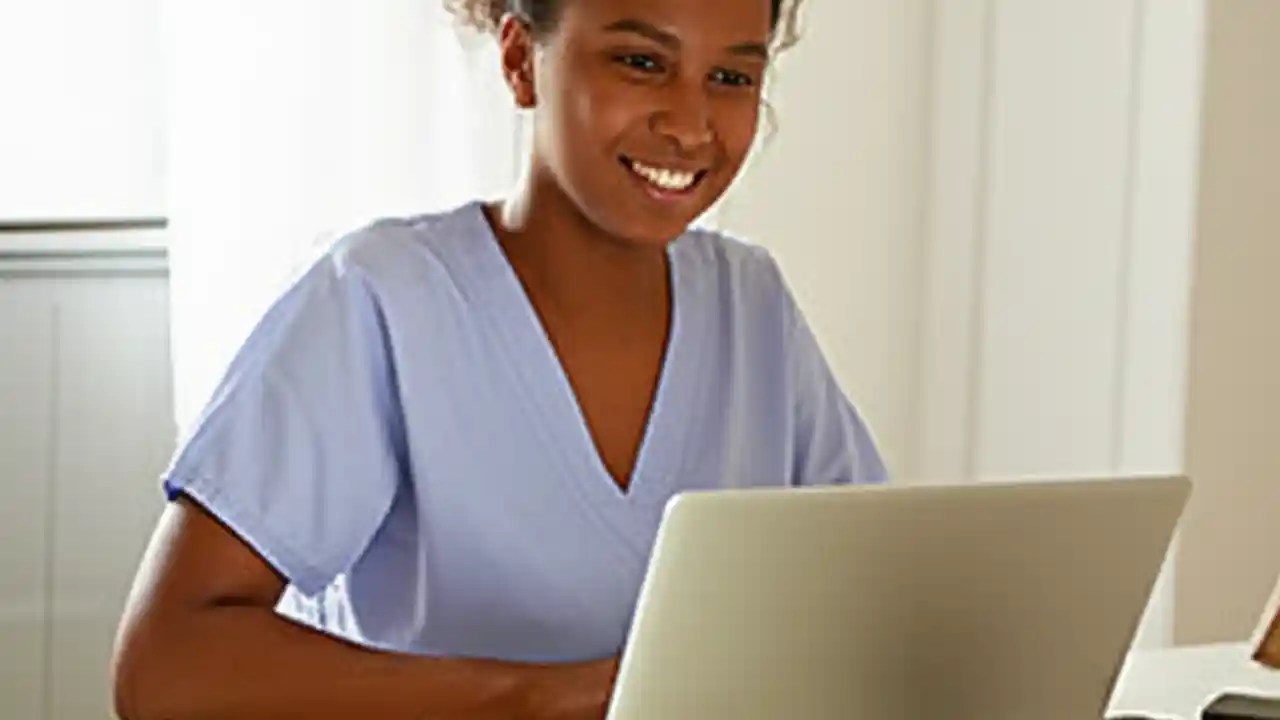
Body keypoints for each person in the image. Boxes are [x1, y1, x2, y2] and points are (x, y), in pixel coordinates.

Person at [111, 0, 887, 717]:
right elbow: (167, 666)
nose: (690, 125)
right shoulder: (382, 300)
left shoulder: (752, 309)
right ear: (521, 60)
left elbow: (886, 601)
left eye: (730, 78)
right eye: (640, 63)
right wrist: (541, 699)